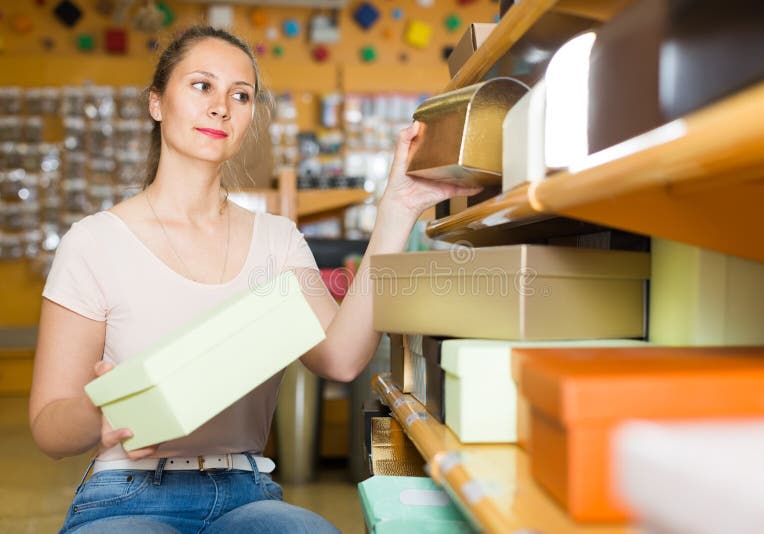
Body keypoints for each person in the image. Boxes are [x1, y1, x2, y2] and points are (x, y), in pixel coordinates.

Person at [28, 26, 480, 534]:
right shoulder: (94, 242)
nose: (221, 106)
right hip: (125, 494)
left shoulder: (277, 240)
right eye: (202, 86)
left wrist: (397, 209)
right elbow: (48, 426)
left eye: (240, 95)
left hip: (246, 491)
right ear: (156, 103)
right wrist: (98, 417)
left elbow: (342, 357)